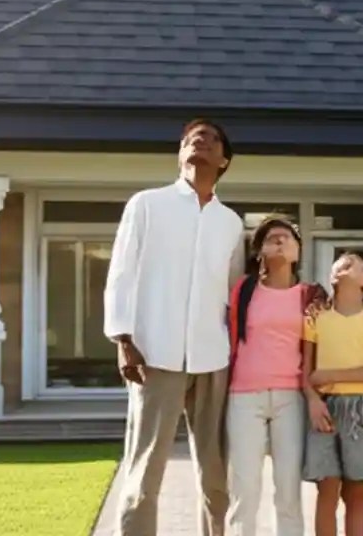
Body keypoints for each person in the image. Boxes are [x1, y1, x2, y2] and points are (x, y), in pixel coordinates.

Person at [103, 118, 245, 536]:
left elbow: (231, 293)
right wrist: (123, 339)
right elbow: (121, 273)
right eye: (190, 139)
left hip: (212, 357)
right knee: (144, 473)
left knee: (217, 477)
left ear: (224, 161)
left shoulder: (231, 223)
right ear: (181, 153)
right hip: (154, 352)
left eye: (210, 139)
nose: (199, 142)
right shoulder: (147, 204)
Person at [224, 216, 323, 536]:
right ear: (259, 253)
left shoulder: (310, 296)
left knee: (288, 491)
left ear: (298, 251)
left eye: (287, 238)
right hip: (244, 397)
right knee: (244, 488)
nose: (280, 242)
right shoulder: (244, 290)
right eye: (272, 239)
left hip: (290, 398)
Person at [302, 250, 363, 536]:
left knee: (354, 491)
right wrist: (313, 400)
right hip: (324, 409)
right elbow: (305, 372)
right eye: (342, 261)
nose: (346, 264)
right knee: (326, 488)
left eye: (358, 265)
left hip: (360, 410)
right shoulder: (315, 317)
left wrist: (330, 376)